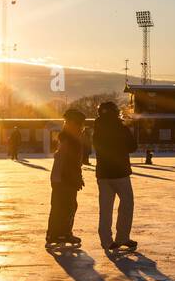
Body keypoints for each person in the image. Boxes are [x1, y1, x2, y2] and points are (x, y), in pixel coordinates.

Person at [93, 100, 138, 252]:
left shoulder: (97, 129)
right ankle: (122, 237)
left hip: (103, 174)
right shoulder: (121, 128)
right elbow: (133, 147)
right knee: (127, 204)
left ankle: (106, 241)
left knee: (105, 208)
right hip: (120, 173)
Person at [46, 109, 86, 248]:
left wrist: (77, 177)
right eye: (79, 124)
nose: (81, 127)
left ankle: (55, 234)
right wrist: (76, 178)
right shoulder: (70, 139)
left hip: (60, 177)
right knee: (66, 206)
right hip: (63, 178)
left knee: (61, 206)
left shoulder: (68, 138)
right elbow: (69, 163)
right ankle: (61, 234)